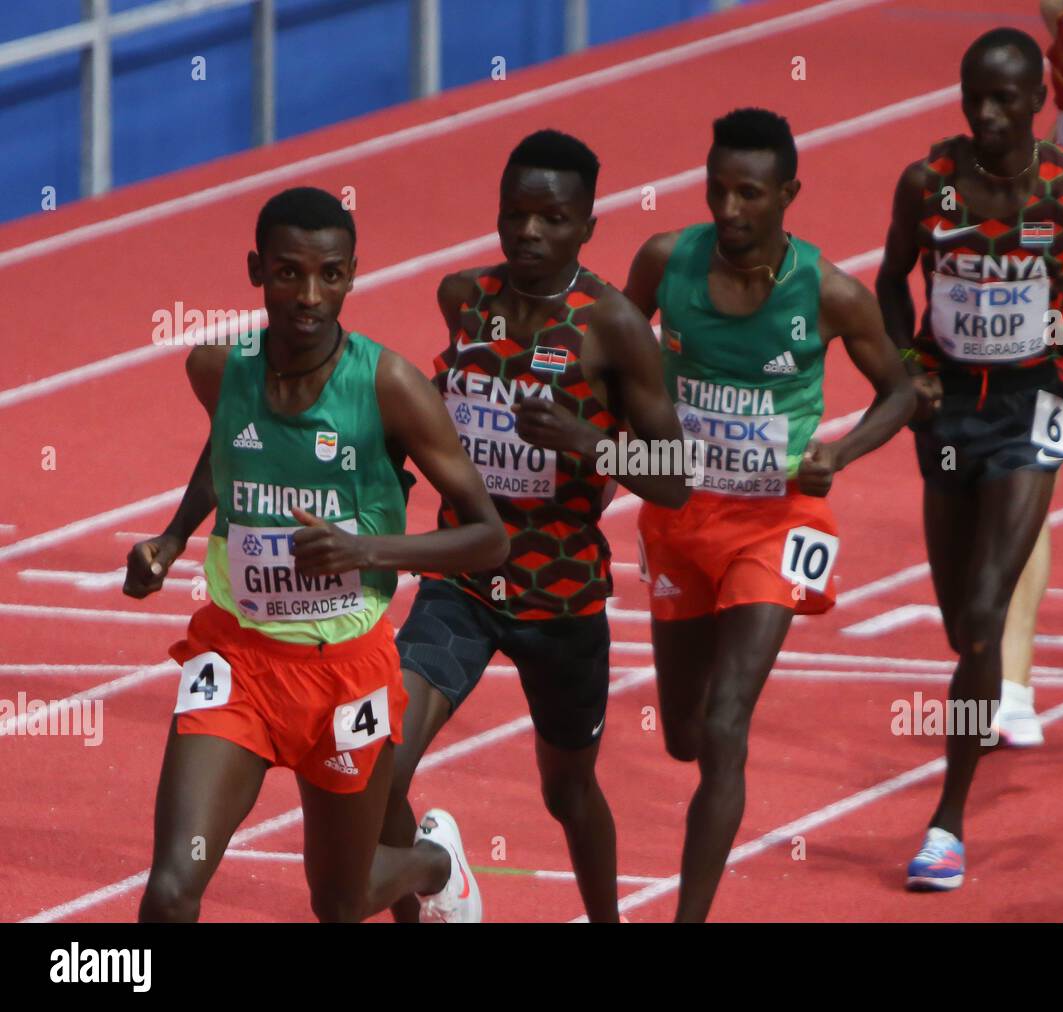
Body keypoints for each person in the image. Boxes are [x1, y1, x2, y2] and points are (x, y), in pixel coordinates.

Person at [122, 187, 509, 922]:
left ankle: (434, 862)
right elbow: (226, 450)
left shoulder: (388, 386)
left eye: (329, 274)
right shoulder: (217, 368)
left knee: (340, 900)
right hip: (236, 660)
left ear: (353, 275)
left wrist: (363, 549)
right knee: (172, 888)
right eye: (287, 273)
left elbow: (489, 538)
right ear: (255, 271)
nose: (308, 295)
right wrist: (173, 538)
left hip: (345, 673)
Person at [380, 130, 691, 924]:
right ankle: (434, 879)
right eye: (515, 214)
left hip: (561, 597)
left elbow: (675, 480)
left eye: (551, 218)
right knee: (381, 769)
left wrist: (592, 443)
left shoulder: (613, 326)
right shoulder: (463, 298)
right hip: (461, 581)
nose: (529, 232)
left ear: (587, 225)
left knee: (568, 790)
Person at [876, 28, 1063, 889]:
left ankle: (945, 826)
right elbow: (889, 283)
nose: (988, 115)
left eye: (1005, 100)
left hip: (1034, 404)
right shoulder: (928, 185)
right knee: (965, 627)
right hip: (948, 410)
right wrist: (905, 370)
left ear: (1039, 103)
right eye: (975, 98)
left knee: (990, 613)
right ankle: (983, 696)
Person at [624, 107, 915, 920]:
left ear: (788, 192)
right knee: (682, 734)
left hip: (778, 520)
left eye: (749, 193)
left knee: (722, 728)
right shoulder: (662, 262)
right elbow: (604, 349)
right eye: (716, 189)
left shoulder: (827, 292)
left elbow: (899, 392)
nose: (728, 210)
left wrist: (842, 451)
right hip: (679, 517)